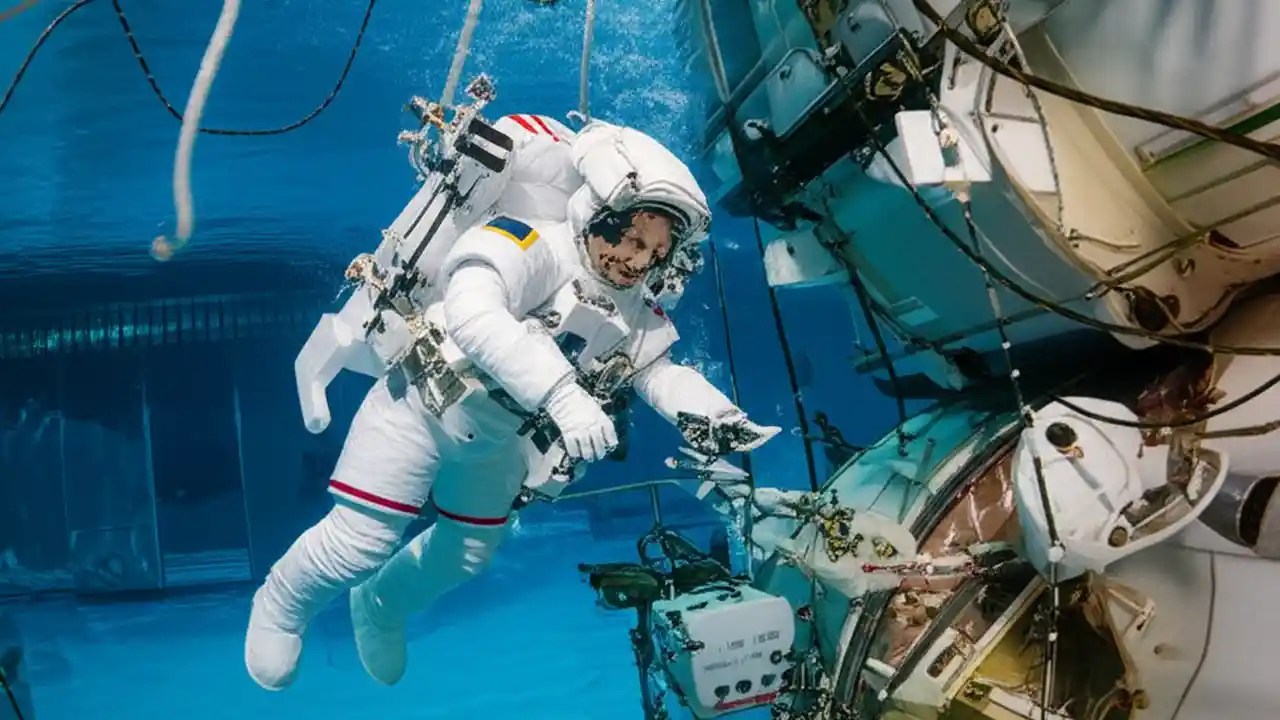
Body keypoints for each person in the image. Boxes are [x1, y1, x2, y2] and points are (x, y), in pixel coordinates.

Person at [244, 114, 780, 691]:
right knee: (361, 542)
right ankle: (279, 607)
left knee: (467, 553)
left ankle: (379, 607)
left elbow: (656, 371)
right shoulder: (527, 242)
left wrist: (717, 418)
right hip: (422, 405)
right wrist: (565, 396)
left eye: (652, 250)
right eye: (629, 237)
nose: (635, 259)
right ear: (596, 214)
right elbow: (475, 315)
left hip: (500, 439)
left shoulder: (634, 306)